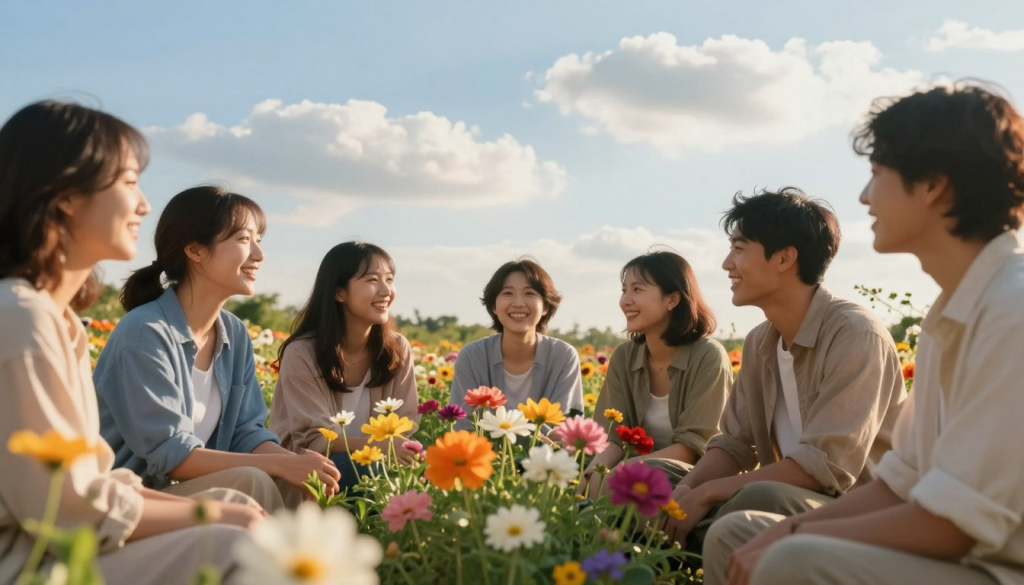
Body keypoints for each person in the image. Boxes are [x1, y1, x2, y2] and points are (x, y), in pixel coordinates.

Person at [704, 83, 1024, 585]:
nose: (864, 196)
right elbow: (902, 482)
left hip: (998, 568)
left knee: (789, 558)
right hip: (956, 553)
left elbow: (953, 525)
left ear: (932, 185)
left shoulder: (1012, 309)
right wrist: (777, 533)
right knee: (739, 534)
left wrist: (791, 537)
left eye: (877, 174)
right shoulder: (950, 314)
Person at [0, 101, 262, 584]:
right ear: (65, 197)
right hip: (32, 561)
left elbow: (93, 481)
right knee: (234, 538)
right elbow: (63, 507)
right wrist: (220, 520)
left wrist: (229, 508)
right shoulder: (21, 319)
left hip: (70, 533)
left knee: (236, 503)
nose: (144, 204)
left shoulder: (59, 322)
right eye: (127, 182)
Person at [663, 187, 905, 559]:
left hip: (854, 508)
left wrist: (708, 493)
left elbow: (824, 469)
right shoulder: (761, 340)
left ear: (785, 258)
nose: (727, 264)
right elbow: (734, 444)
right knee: (658, 476)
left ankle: (677, 543)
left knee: (757, 496)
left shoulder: (854, 334)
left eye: (739, 249)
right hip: (789, 495)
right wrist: (687, 490)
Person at [94, 186, 340, 511]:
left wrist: (297, 465)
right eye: (243, 240)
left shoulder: (234, 334)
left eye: (259, 241)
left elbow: (244, 432)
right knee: (254, 481)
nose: (259, 255)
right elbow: (171, 456)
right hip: (130, 501)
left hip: (186, 491)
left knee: (299, 484)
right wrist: (282, 465)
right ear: (195, 250)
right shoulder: (145, 332)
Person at [270, 242, 418, 490]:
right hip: (309, 477)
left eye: (389, 280)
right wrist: (378, 447)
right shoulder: (303, 352)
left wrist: (390, 450)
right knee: (359, 468)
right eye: (372, 280)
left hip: (379, 469)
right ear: (339, 292)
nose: (386, 291)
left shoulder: (397, 349)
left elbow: (406, 423)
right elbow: (313, 440)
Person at [588, 251, 731, 488]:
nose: (625, 300)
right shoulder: (624, 356)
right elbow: (612, 438)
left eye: (637, 289)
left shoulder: (708, 356)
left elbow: (695, 447)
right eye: (624, 290)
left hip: (691, 479)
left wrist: (621, 472)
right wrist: (593, 474)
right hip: (631, 472)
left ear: (672, 299)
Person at [448, 258, 583, 421]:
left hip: (546, 447)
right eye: (507, 293)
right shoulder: (472, 357)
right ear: (493, 306)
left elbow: (563, 426)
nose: (518, 303)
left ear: (546, 306)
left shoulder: (563, 356)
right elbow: (464, 424)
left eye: (529, 293)